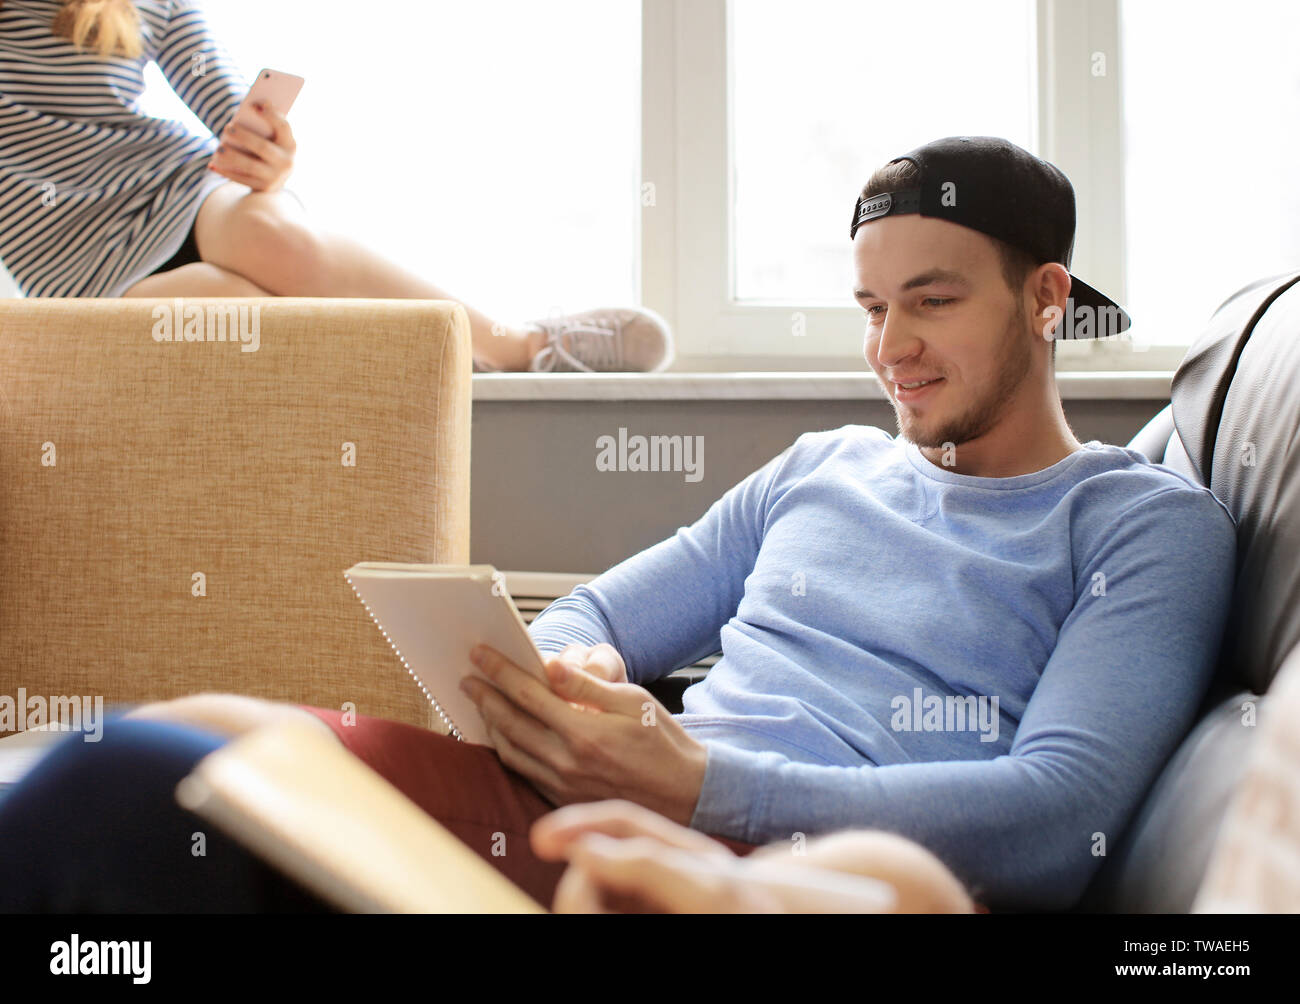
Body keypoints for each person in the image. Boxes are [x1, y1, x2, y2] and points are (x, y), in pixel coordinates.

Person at [0, 136, 1239, 913]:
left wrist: (704, 787)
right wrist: (575, 675)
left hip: (793, 870)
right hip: (591, 801)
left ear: (1043, 297)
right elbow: (594, 607)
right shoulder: (823, 466)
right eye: (871, 307)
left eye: (931, 301)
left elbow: (1057, 816)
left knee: (135, 798)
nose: (891, 347)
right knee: (173, 741)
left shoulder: (1141, 523)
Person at [0, 0, 672, 373]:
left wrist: (270, 150)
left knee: (269, 233)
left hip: (173, 187)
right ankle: (451, 366)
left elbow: (236, 110)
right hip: (83, 271)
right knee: (230, 305)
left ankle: (527, 347)